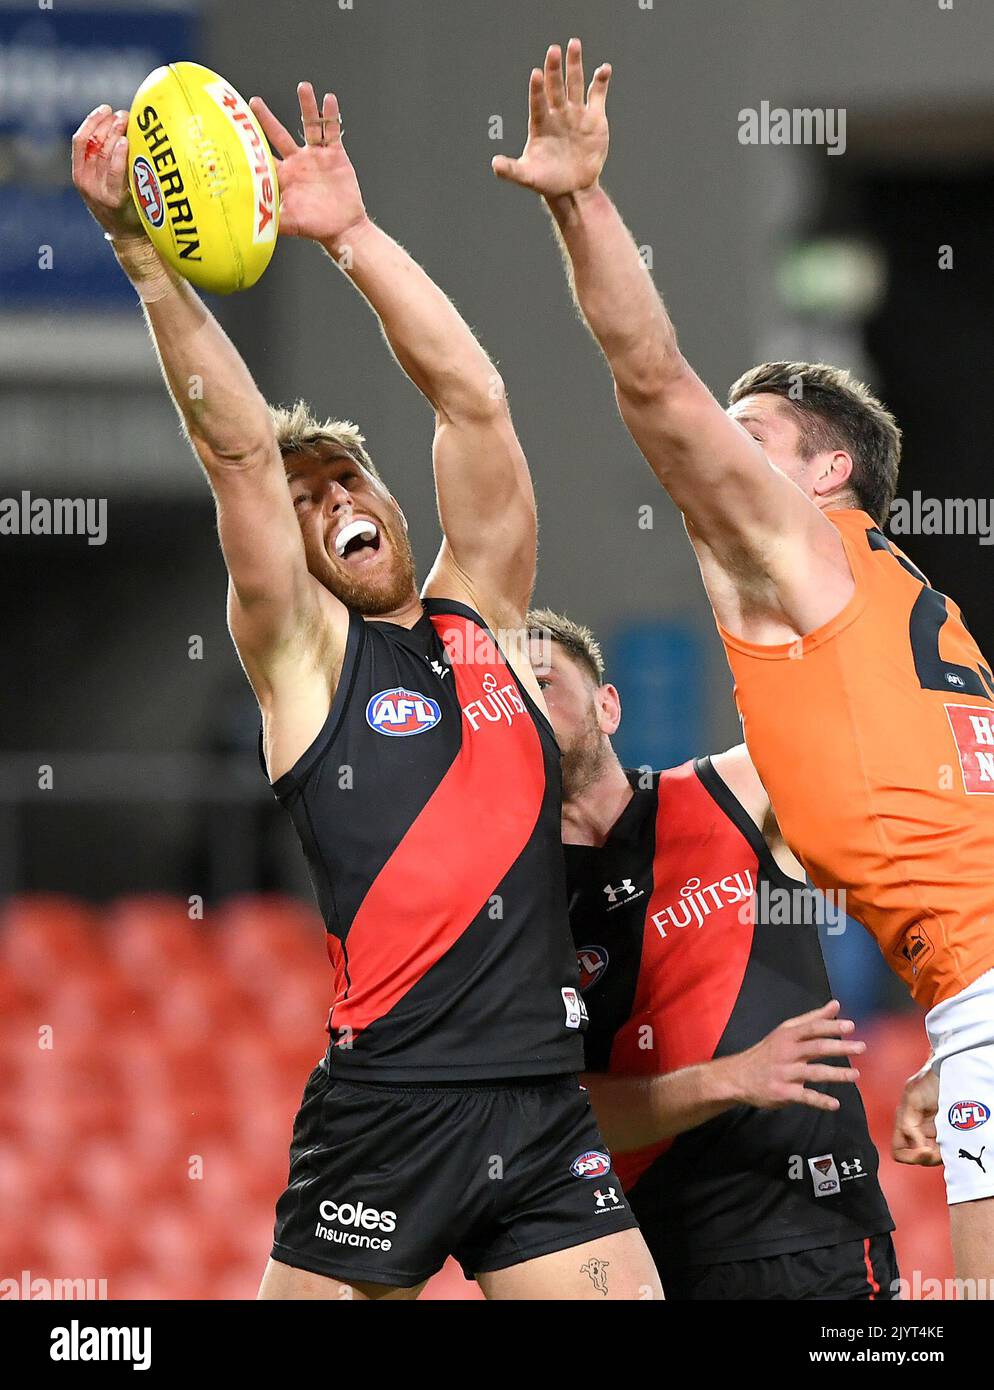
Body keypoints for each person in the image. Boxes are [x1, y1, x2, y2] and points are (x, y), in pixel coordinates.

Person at [72, 81, 661, 1301]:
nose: (339, 500)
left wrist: (350, 237)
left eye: (349, 478)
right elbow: (235, 448)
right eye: (310, 501)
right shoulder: (301, 657)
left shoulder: (483, 615)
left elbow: (473, 399)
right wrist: (142, 253)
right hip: (388, 1108)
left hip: (540, 1109)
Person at [496, 38, 994, 1291]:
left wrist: (578, 200)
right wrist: (951, 1040)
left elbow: (653, 385)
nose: (722, 443)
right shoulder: (902, 608)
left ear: (827, 472)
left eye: (753, 427)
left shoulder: (808, 550)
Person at [529, 609, 897, 1299]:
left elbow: (860, 719)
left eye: (542, 680)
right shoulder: (516, 912)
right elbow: (563, 1112)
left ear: (608, 705)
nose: (524, 701)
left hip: (819, 1232)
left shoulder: (732, 790)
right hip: (658, 1256)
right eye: (505, 694)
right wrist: (732, 1078)